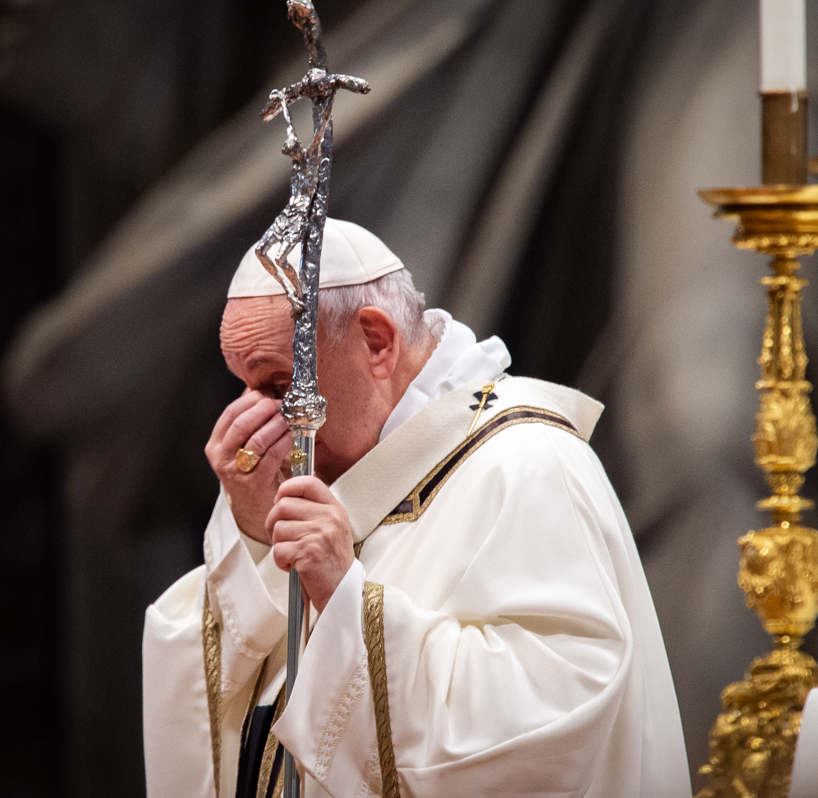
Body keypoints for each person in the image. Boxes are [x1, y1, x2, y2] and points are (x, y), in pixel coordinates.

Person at [142, 218, 690, 798]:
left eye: (280, 386)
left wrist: (344, 598)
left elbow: (558, 715)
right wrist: (255, 536)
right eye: (243, 388)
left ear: (377, 341)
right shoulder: (329, 476)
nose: (259, 420)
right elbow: (229, 710)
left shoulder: (527, 462)